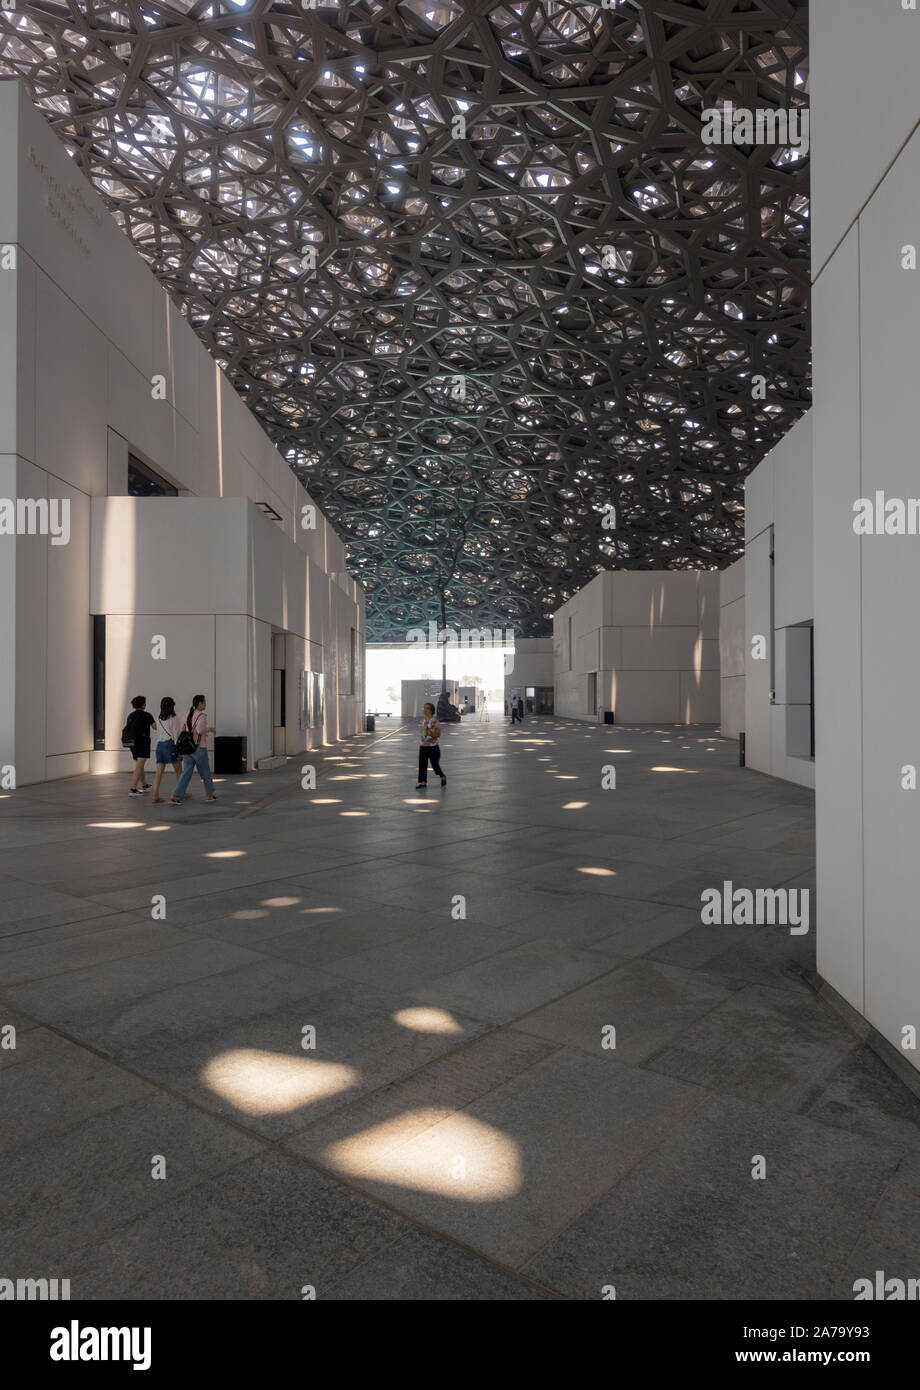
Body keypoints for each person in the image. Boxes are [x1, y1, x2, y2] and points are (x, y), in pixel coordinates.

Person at [170, 694, 217, 803]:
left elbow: (182, 731)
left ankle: (176, 795)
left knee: (186, 773)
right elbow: (200, 730)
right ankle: (209, 795)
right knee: (205, 772)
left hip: (187, 749)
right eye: (204, 702)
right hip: (199, 748)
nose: (205, 704)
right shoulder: (202, 716)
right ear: (200, 703)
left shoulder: (186, 715)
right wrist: (210, 729)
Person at [151, 696, 184, 803]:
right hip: (170, 745)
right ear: (171, 706)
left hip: (160, 746)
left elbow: (157, 731)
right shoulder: (174, 718)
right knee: (178, 771)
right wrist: (179, 750)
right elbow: (176, 735)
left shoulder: (159, 718)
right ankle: (180, 793)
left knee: (159, 772)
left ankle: (155, 795)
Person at [125, 695, 155, 795]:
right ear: (143, 705)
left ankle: (145, 785)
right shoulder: (147, 715)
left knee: (139, 764)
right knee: (139, 765)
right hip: (143, 743)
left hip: (132, 744)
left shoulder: (131, 715)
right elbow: (155, 727)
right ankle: (133, 789)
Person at [416, 701, 447, 789]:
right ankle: (423, 783)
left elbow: (438, 735)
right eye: (424, 708)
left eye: (427, 708)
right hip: (423, 746)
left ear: (431, 710)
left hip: (433, 747)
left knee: (434, 764)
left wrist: (431, 733)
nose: (425, 710)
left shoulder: (435, 721)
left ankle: (442, 776)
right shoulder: (422, 721)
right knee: (422, 765)